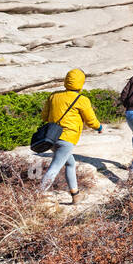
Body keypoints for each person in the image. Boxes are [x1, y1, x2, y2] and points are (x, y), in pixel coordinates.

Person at [38, 68, 103, 204]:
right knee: (55, 167)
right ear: (81, 82)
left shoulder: (54, 96)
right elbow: (90, 120)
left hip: (52, 137)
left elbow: (44, 116)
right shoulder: (82, 99)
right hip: (67, 138)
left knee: (70, 163)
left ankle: (75, 195)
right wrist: (99, 127)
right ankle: (37, 196)